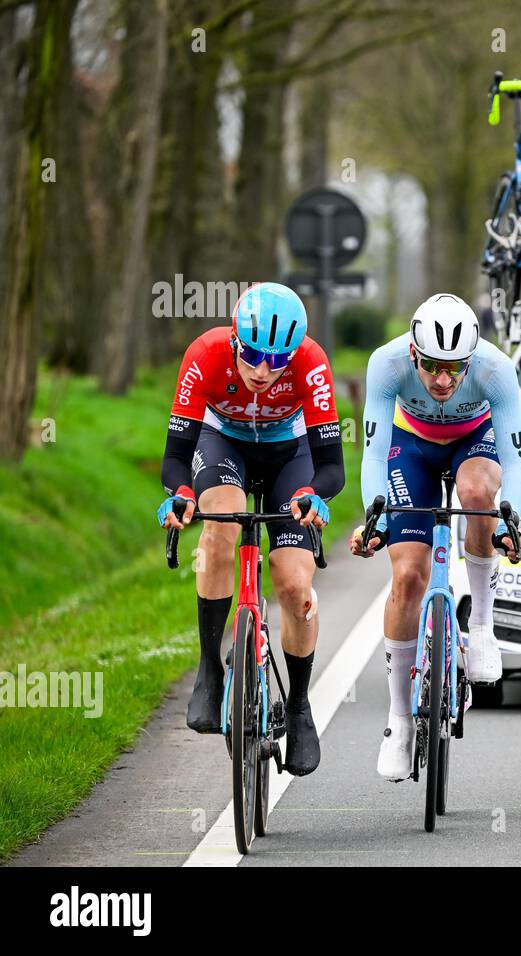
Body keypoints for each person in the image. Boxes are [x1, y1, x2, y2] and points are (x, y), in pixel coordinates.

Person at [157, 282, 343, 776]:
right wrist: (182, 495)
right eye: (253, 354)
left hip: (291, 455)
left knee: (294, 584)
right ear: (235, 340)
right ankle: (209, 669)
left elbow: (332, 467)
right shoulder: (205, 353)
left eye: (278, 359)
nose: (263, 371)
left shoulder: (312, 361)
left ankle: (299, 705)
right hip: (225, 446)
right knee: (220, 523)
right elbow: (176, 456)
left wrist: (312, 495)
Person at [351, 293, 521, 781]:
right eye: (432, 367)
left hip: (476, 443)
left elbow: (515, 463)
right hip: (411, 448)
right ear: (413, 353)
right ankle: (399, 721)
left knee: (476, 491)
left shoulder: (495, 369)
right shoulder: (386, 364)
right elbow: (373, 454)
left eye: (455, 368)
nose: (444, 380)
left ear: (470, 358)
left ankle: (484, 630)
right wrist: (376, 517)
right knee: (408, 575)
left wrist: (511, 521)